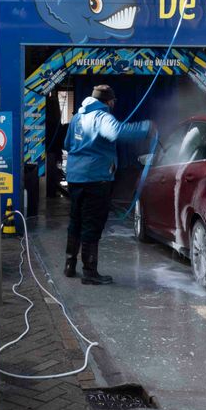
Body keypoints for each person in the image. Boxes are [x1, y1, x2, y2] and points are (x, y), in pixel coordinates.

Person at [64, 85, 151, 285]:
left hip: (75, 177)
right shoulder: (102, 117)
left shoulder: (77, 117)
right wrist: (146, 128)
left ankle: (70, 265)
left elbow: (67, 144)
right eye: (112, 102)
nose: (113, 105)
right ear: (109, 101)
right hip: (96, 179)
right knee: (92, 224)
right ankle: (90, 272)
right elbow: (117, 132)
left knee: (75, 221)